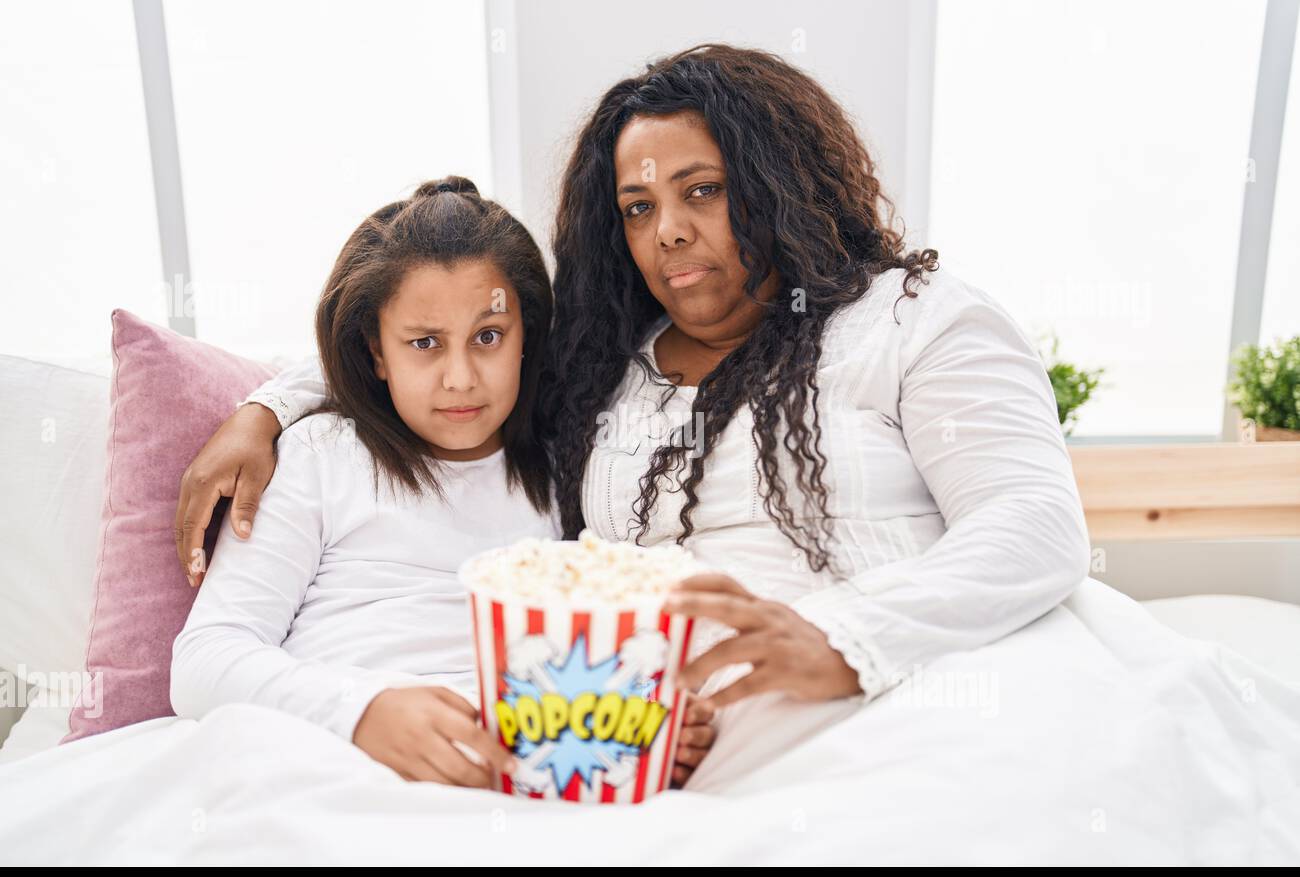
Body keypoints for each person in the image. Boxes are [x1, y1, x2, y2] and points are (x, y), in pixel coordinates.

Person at [176, 46, 1089, 761]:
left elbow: (1036, 522)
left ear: (780, 184)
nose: (670, 232)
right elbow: (442, 332)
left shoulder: (914, 320)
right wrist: (269, 407)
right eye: (638, 207)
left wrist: (846, 640)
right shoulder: (604, 366)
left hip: (904, 700)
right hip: (669, 759)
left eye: (703, 191)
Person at [171, 176, 717, 788]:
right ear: (377, 352)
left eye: (488, 337)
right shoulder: (320, 455)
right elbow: (203, 661)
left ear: (527, 337)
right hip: (338, 759)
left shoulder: (572, 465)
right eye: (425, 343)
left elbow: (582, 661)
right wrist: (362, 711)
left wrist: (643, 717)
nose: (460, 378)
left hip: (509, 772)